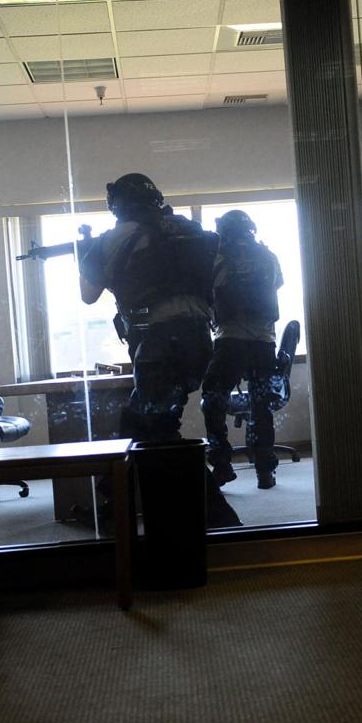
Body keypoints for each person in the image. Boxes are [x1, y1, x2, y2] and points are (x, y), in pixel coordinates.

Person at [78, 173, 239, 527]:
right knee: (137, 419)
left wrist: (84, 255)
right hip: (198, 340)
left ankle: (218, 515)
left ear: (116, 206)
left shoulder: (114, 239)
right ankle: (113, 501)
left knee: (161, 431)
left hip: (157, 346)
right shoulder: (189, 231)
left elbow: (88, 295)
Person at [200, 210, 284, 490]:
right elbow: (277, 286)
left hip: (229, 341)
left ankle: (221, 464)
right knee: (261, 406)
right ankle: (264, 470)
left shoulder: (218, 257)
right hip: (263, 342)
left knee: (212, 398)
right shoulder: (267, 256)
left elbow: (208, 295)